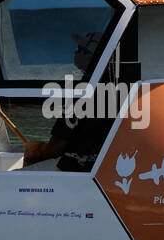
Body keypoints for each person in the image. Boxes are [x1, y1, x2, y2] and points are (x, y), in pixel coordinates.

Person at [23, 32, 113, 172]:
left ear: (94, 57)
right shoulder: (113, 84)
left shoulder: (83, 91)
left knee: (11, 179)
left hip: (76, 165)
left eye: (82, 50)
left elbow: (58, 144)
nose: (76, 53)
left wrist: (37, 157)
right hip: (101, 164)